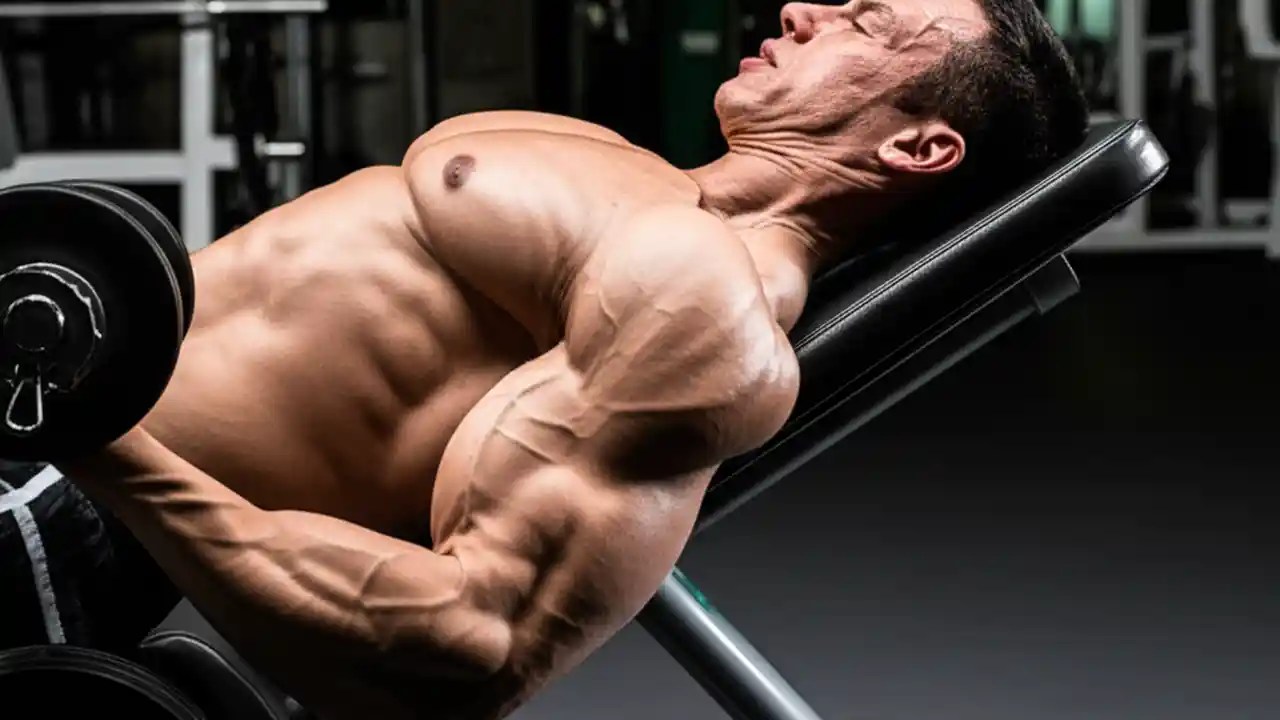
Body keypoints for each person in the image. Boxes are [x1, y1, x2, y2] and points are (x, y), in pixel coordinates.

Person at [1, 1, 1088, 718]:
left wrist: (88, 427)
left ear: (915, 146)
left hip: (40, 498)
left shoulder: (698, 297)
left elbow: (473, 640)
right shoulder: (639, 181)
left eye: (863, 20)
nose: (803, 7)